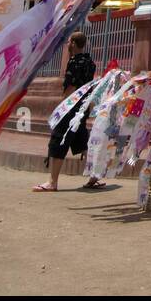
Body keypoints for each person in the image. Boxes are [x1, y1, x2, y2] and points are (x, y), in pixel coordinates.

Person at [33, 32, 104, 192]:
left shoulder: (74, 62)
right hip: (83, 106)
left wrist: (62, 106)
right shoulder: (90, 62)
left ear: (73, 43)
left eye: (68, 42)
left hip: (71, 106)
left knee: (59, 139)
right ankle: (94, 175)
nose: (67, 45)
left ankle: (52, 182)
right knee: (81, 139)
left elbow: (70, 86)